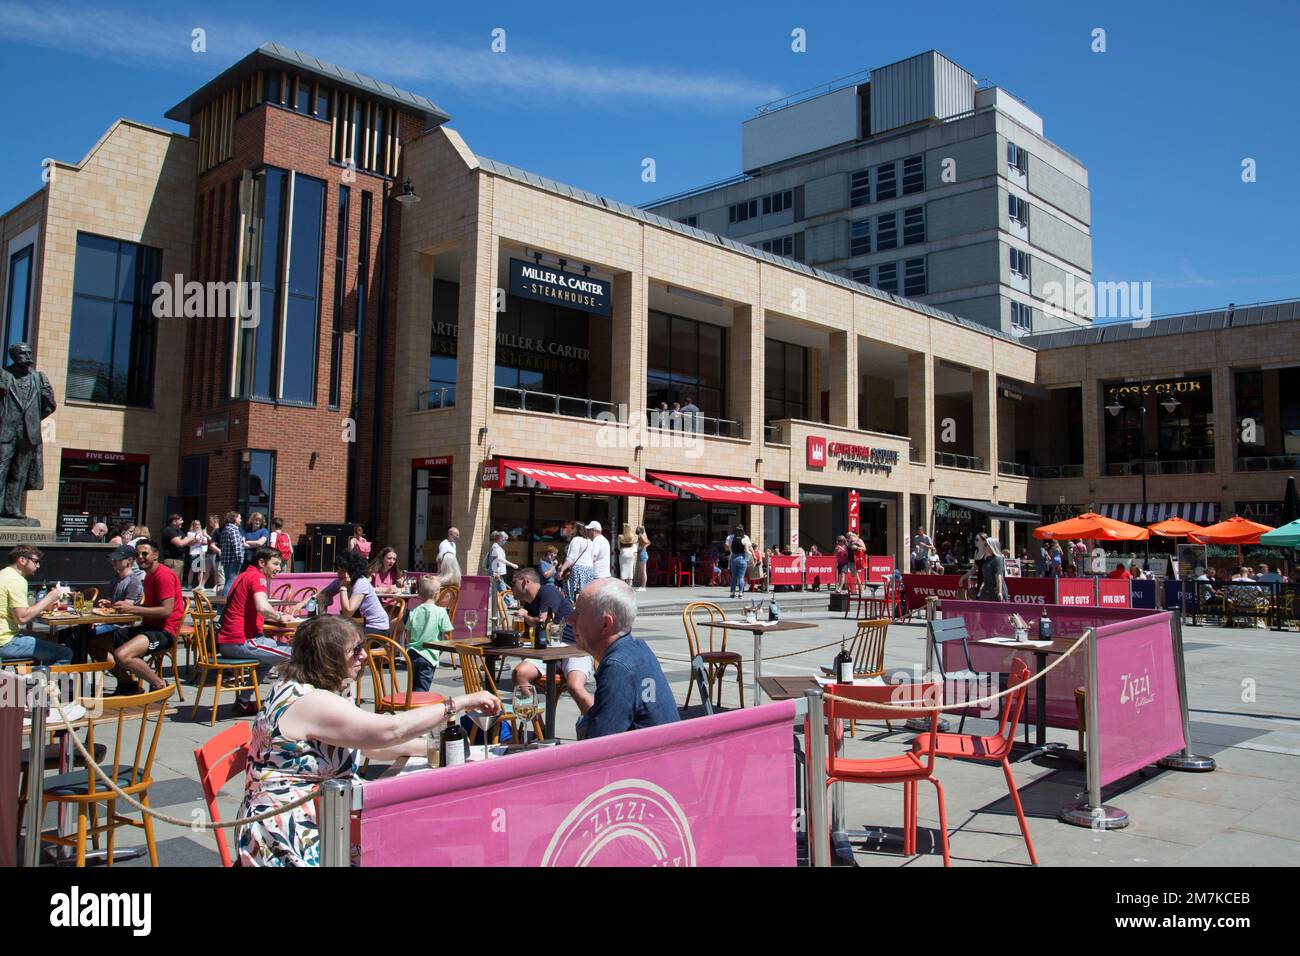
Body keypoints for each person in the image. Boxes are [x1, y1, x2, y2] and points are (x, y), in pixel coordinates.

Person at [236, 615, 501, 867]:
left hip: (320, 814)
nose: (364, 655)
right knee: (421, 838)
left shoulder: (297, 687)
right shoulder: (311, 702)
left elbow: (367, 743)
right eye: (355, 650)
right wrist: (458, 703)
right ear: (327, 657)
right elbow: (389, 730)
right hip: (290, 833)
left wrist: (430, 748)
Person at [573, 579, 677, 739]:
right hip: (665, 758)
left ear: (606, 624)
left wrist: (584, 725)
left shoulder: (618, 668)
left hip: (647, 762)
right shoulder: (639, 650)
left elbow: (597, 747)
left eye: (578, 613)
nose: (570, 620)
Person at [218, 546, 296, 716]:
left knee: (267, 660)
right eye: (275, 564)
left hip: (228, 642)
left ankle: (243, 702)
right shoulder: (258, 578)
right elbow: (262, 606)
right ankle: (284, 703)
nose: (279, 568)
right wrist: (280, 617)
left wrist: (276, 614)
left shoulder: (243, 575)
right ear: (262, 562)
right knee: (297, 655)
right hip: (243, 641)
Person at [510, 566, 594, 713]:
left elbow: (546, 624)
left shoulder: (548, 591)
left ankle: (597, 726)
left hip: (573, 648)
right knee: (519, 674)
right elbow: (526, 635)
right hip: (548, 652)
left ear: (525, 582)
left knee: (575, 687)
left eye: (513, 583)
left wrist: (525, 616)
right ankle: (537, 724)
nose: (511, 587)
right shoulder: (529, 604)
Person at [109, 539, 183, 694]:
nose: (140, 557)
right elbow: (150, 607)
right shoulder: (149, 576)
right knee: (96, 643)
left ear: (155, 555)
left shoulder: (163, 576)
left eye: (144, 554)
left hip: (164, 632)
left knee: (122, 655)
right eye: (137, 554)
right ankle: (127, 684)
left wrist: (133, 608)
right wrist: (117, 606)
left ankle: (159, 684)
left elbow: (165, 611)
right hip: (148, 627)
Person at [0, 545, 72, 665]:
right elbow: (22, 618)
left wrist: (45, 607)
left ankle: (31, 678)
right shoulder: (16, 580)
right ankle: (44, 683)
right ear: (22, 560)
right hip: (5, 642)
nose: (38, 566)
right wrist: (49, 598)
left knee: (49, 638)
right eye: (35, 561)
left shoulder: (3, 574)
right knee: (65, 653)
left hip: (6, 636)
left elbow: (16, 612)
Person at [315, 550, 391, 637]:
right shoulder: (340, 580)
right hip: (359, 626)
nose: (339, 573)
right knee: (325, 633)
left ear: (352, 571)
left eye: (342, 570)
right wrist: (299, 605)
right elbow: (321, 595)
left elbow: (348, 612)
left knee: (335, 638)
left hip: (377, 630)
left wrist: (343, 588)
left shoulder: (361, 582)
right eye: (338, 570)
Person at [89, 544, 143, 659]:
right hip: (109, 621)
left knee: (86, 636)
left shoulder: (133, 581)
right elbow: (113, 601)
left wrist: (110, 606)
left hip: (120, 626)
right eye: (113, 559)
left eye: (117, 559)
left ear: (129, 561)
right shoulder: (117, 579)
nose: (113, 561)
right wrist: (107, 603)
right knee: (77, 633)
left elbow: (127, 607)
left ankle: (112, 665)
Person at [405, 576, 453, 692]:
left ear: (419, 594)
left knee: (413, 685)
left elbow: (408, 633)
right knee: (422, 687)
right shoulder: (441, 612)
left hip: (412, 653)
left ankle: (413, 705)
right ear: (437, 594)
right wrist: (442, 649)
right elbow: (447, 635)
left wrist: (410, 644)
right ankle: (421, 707)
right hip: (429, 655)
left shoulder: (413, 611)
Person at [962, 533, 1007, 601]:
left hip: (995, 590)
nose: (985, 546)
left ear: (992, 546)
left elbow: (999, 576)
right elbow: (975, 569)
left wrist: (999, 592)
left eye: (986, 545)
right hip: (986, 589)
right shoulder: (987, 558)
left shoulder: (998, 559)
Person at [558, 522, 595, 603]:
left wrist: (561, 569)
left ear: (576, 530)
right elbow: (593, 558)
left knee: (574, 596)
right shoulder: (590, 542)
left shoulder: (576, 540)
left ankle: (574, 613)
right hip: (589, 570)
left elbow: (571, 558)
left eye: (572, 528)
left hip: (578, 570)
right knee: (586, 596)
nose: (571, 531)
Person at [218, 511, 245, 595]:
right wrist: (240, 559)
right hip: (234, 560)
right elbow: (237, 546)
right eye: (239, 518)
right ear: (234, 519)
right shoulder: (234, 530)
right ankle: (225, 604)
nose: (241, 520)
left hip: (226, 560)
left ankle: (222, 604)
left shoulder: (225, 529)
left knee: (227, 581)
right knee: (230, 583)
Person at [159, 513, 193, 577]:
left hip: (179, 560)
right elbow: (179, 544)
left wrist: (195, 538)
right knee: (171, 581)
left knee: (177, 583)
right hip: (172, 561)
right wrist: (190, 538)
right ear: (174, 521)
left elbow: (187, 543)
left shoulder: (180, 532)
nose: (182, 522)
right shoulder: (169, 530)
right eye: (180, 520)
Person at [725, 525, 751, 599]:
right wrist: (751, 556)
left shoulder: (730, 537)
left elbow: (727, 547)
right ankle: (740, 593)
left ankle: (732, 593)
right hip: (742, 558)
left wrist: (731, 552)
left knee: (733, 577)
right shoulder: (745, 538)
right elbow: (748, 549)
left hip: (733, 558)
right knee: (741, 577)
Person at [186, 519, 210, 590]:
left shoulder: (203, 532)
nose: (198, 526)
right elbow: (189, 543)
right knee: (192, 569)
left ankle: (200, 585)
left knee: (201, 569)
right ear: (193, 526)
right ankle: (189, 585)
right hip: (193, 552)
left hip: (201, 552)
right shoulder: (190, 533)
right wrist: (196, 539)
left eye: (199, 524)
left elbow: (206, 542)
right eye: (196, 524)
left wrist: (203, 539)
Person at [205, 514, 225, 592]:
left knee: (217, 571)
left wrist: (206, 535)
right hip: (211, 552)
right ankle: (203, 585)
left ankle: (217, 585)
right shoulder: (214, 530)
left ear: (214, 521)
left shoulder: (217, 530)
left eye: (210, 521)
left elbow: (213, 541)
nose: (209, 523)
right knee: (213, 570)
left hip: (214, 553)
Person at [634, 527, 651, 592]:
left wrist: (643, 547)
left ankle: (643, 587)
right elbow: (649, 542)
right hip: (643, 553)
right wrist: (644, 546)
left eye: (637, 529)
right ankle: (642, 586)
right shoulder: (642, 535)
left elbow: (647, 542)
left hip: (642, 553)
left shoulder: (641, 535)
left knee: (643, 571)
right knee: (643, 571)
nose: (636, 530)